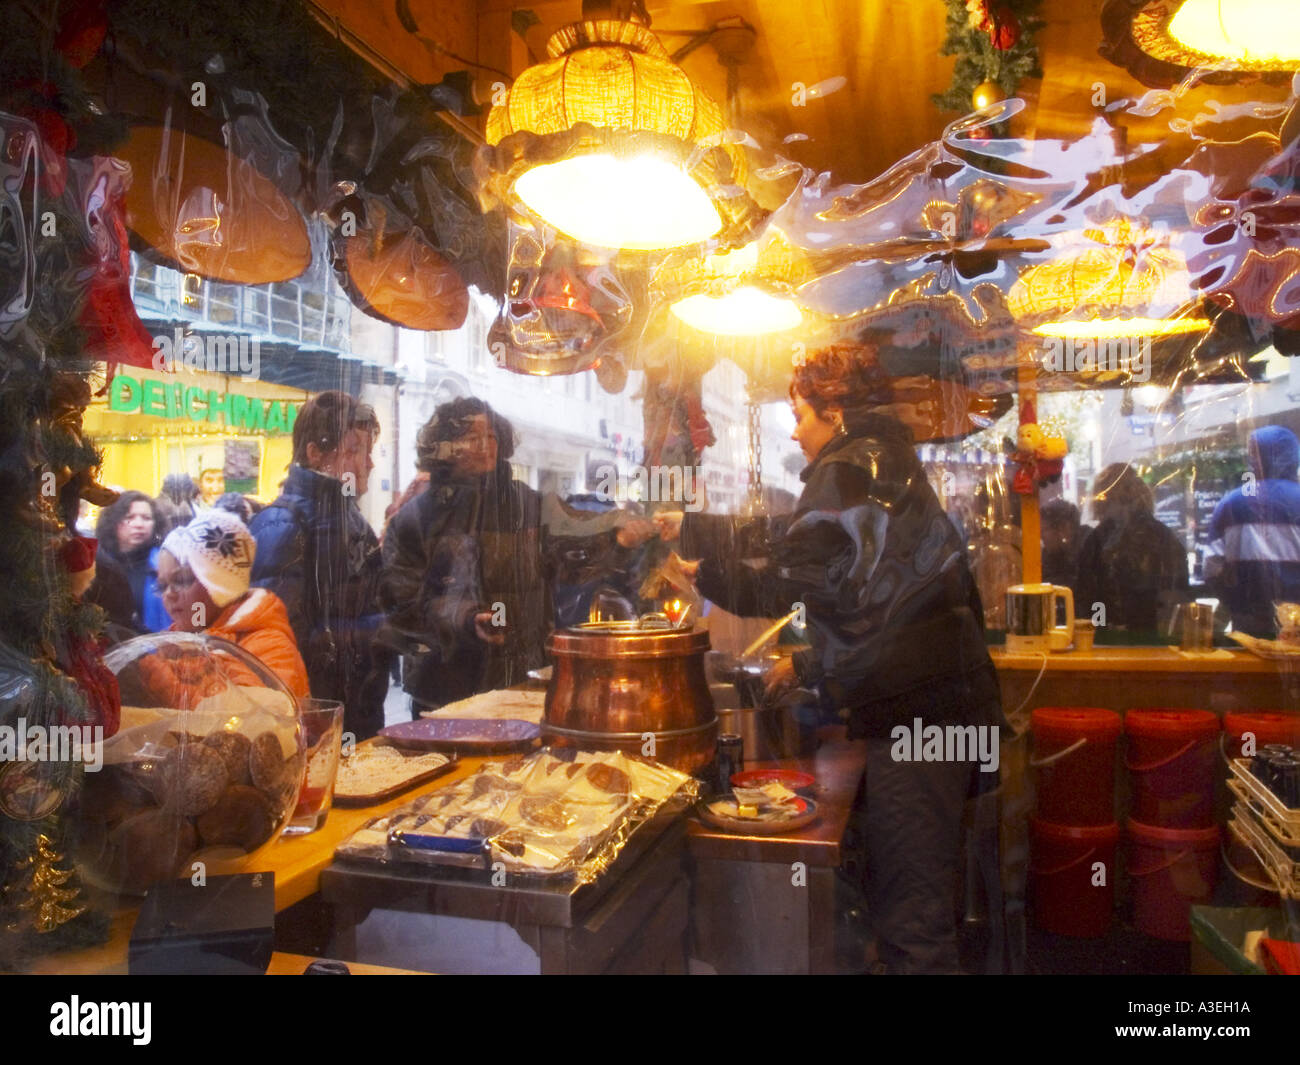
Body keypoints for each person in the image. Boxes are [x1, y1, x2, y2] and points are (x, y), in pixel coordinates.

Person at [656, 343, 1007, 974]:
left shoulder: (852, 466)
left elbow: (791, 578)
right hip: (944, 713)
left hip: (921, 724)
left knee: (912, 918)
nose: (794, 428)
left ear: (834, 409)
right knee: (915, 896)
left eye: (800, 412)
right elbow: (872, 597)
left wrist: (703, 571)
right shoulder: (884, 463)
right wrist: (694, 529)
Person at [380, 397, 653, 716]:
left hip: (522, 685)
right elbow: (401, 605)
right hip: (445, 695)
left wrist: (618, 541)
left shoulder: (531, 506)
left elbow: (573, 559)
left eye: (492, 435)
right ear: (445, 447)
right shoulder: (416, 519)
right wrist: (465, 619)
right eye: (473, 437)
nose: (487, 444)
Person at [249, 391, 390, 739]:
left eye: (368, 452)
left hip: (357, 715)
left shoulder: (352, 520)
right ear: (315, 454)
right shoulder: (284, 525)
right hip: (310, 726)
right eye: (355, 451)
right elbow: (280, 643)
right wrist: (383, 632)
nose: (368, 463)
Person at [151, 510, 309, 701]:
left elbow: (256, 721)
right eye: (162, 585)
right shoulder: (176, 643)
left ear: (221, 584)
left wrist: (160, 680)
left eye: (182, 580)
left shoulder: (272, 646)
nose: (169, 594)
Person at [1205, 425, 1300, 637]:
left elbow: (1212, 568)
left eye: (1252, 453)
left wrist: (1236, 604)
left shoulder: (1231, 503)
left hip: (1250, 625)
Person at [1076, 463, 1187, 640]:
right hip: (1157, 641)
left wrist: (1102, 632)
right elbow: (1176, 598)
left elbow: (1088, 599)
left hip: (1108, 643)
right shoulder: (1165, 537)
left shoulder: (1098, 540)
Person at [94, 490, 169, 632]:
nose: (139, 524)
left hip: (162, 651)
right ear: (113, 522)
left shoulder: (166, 566)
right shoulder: (100, 566)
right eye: (130, 518)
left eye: (146, 518)